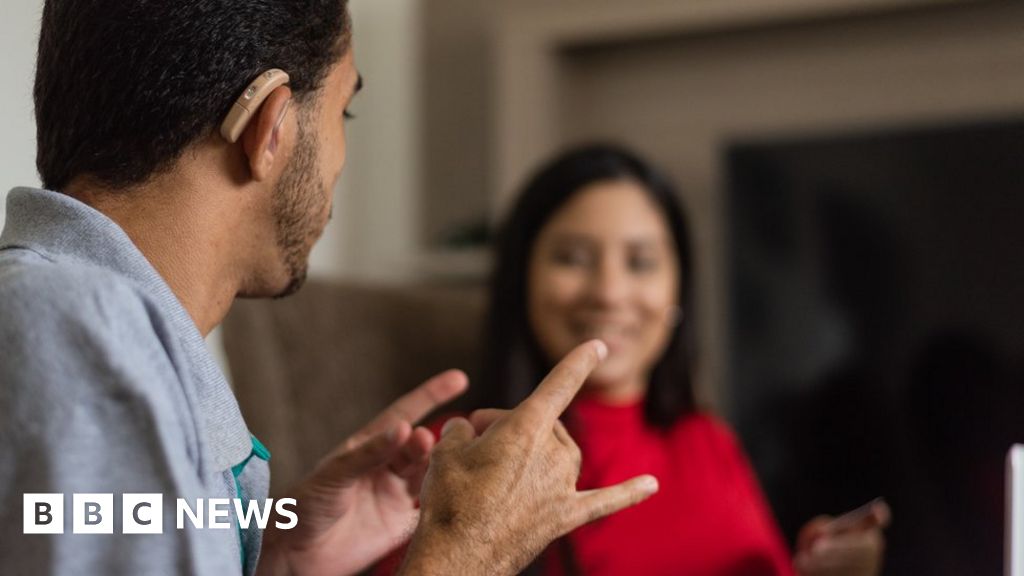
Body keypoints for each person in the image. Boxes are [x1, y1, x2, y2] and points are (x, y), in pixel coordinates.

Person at [0, 3, 659, 575]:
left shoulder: (84, 327)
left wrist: (272, 552)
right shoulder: (78, 327)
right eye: (345, 109)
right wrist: (462, 552)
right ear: (270, 126)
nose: (341, 156)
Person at [382, 144, 891, 575]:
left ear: (678, 289)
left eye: (641, 262)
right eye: (573, 259)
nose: (610, 292)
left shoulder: (708, 441)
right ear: (522, 281)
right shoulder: (458, 451)